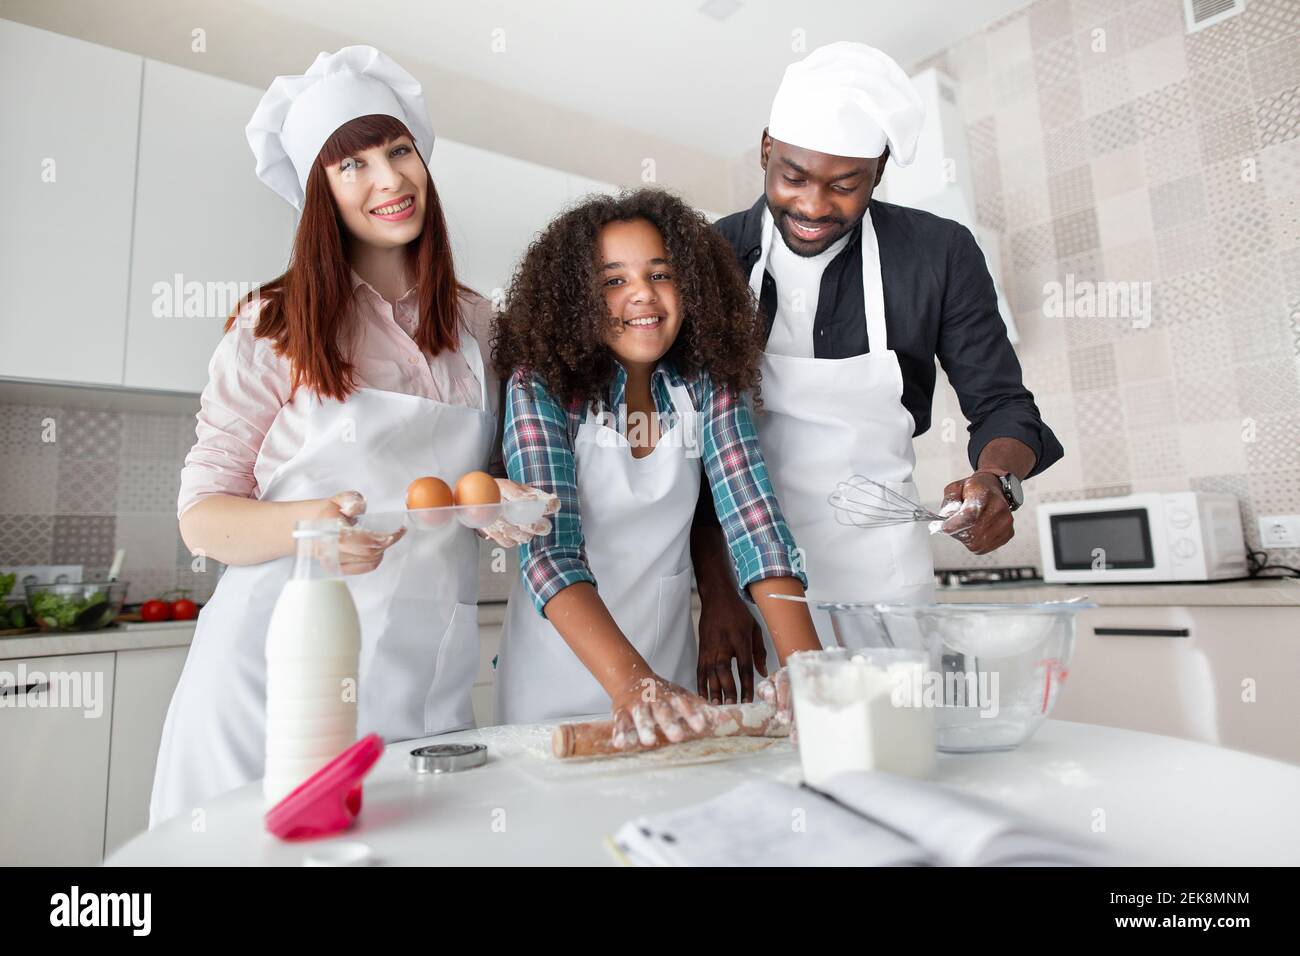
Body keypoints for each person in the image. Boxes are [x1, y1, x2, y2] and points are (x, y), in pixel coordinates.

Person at [150, 47, 555, 827]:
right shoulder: (272, 324)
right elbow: (203, 515)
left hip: (421, 673)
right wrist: (309, 534)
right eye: (353, 165)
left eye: (399, 150)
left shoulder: (479, 326)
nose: (389, 180)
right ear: (320, 195)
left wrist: (498, 498)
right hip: (276, 673)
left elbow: (477, 482)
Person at [692, 42, 1065, 696]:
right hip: (744, 577)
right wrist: (715, 593)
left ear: (880, 170)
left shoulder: (937, 253)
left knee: (892, 748)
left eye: (844, 184)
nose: (813, 205)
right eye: (793, 176)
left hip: (884, 577)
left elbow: (1005, 407)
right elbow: (688, 444)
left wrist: (997, 480)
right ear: (764, 150)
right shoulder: (711, 256)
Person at [491, 188, 821, 744]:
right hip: (555, 679)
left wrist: (809, 668)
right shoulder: (540, 387)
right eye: (613, 281)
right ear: (576, 299)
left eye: (661, 274)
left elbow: (755, 521)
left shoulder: (708, 384)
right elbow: (550, 553)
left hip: (668, 675)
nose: (643, 294)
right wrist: (632, 685)